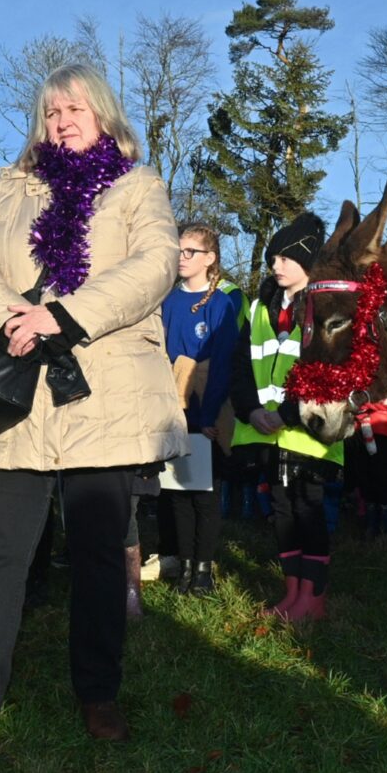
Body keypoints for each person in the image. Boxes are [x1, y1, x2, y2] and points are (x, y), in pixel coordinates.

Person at [0, 62, 184, 769]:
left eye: (75, 108)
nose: (62, 120)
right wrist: (8, 322)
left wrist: (63, 318)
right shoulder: (9, 185)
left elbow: (155, 264)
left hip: (103, 392)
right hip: (17, 393)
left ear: (104, 113)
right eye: (51, 112)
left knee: (101, 553)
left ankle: (98, 690)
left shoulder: (139, 185)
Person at [228, 212, 346, 622]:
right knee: (280, 509)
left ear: (308, 261)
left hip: (309, 434)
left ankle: (314, 598)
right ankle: (292, 592)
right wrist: (251, 410)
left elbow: (331, 370)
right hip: (266, 433)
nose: (274, 265)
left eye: (282, 258)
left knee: (308, 510)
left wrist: (287, 413)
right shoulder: (261, 307)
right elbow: (241, 365)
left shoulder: (327, 307)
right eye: (271, 258)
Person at [157, 223, 238, 595]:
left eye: (190, 251)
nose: (181, 257)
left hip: (208, 407)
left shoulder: (221, 303)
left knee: (204, 493)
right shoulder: (168, 301)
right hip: (174, 407)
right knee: (177, 490)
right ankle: (184, 566)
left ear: (210, 259)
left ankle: (203, 572)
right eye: (178, 250)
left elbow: (223, 364)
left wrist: (207, 418)